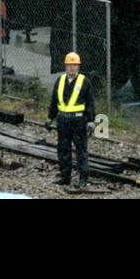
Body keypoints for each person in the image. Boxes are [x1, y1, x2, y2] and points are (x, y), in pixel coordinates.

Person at [46, 51, 97, 188]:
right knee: (63, 149)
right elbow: (54, 101)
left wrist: (91, 120)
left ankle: (83, 178)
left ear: (78, 67)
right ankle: (65, 176)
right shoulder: (60, 80)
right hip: (63, 120)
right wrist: (50, 117)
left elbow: (90, 102)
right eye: (69, 65)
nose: (71, 68)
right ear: (65, 66)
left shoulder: (84, 82)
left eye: (74, 65)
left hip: (78, 121)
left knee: (81, 150)